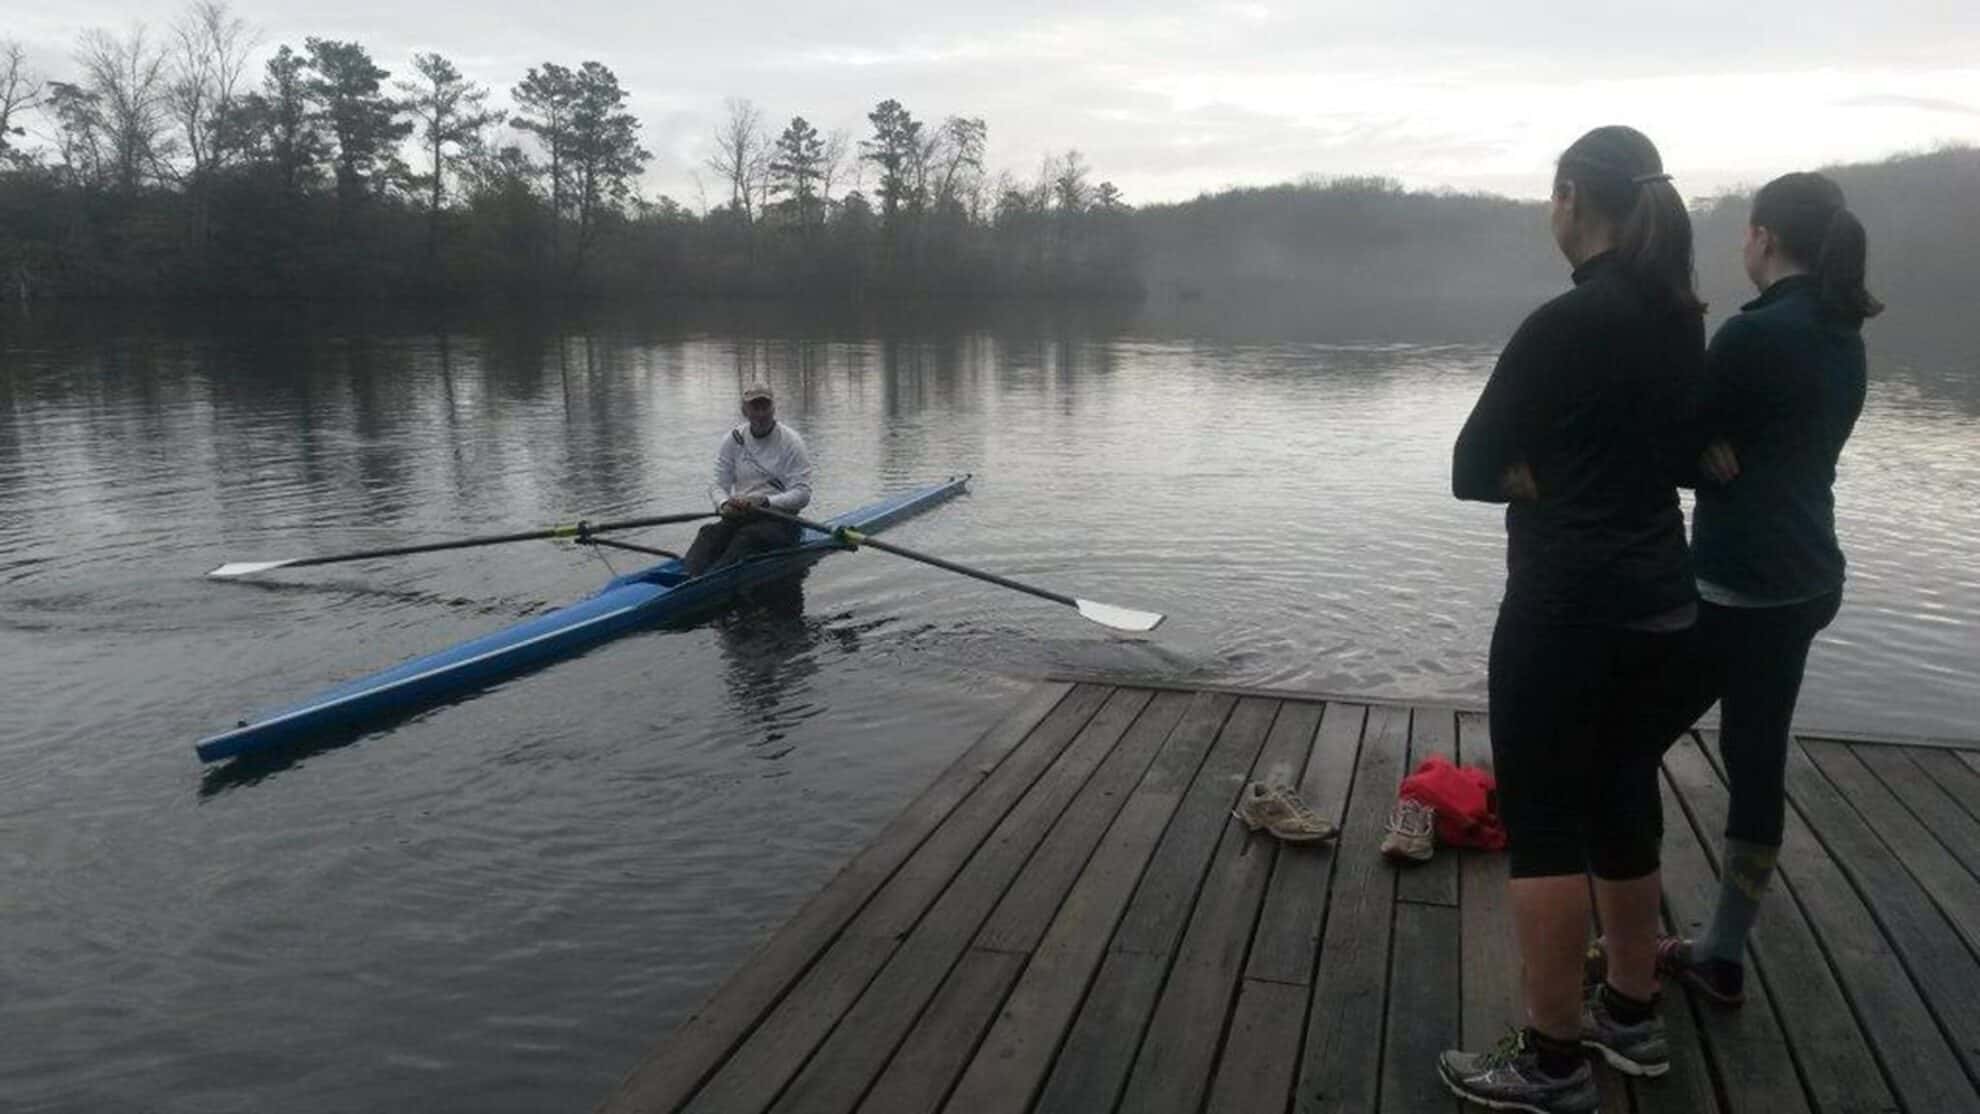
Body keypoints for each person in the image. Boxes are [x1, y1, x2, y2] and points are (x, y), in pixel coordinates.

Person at [1439, 125, 1708, 1114]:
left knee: (1546, 823)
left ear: (1571, 200)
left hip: (1564, 608)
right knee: (1624, 798)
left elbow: (1471, 466)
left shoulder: (1565, 325)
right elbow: (1684, 457)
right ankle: (1630, 1014)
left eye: (1552, 198)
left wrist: (1534, 474)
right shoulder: (1681, 317)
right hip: (1660, 603)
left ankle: (1553, 1061)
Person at [1655, 172, 1878, 1008]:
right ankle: (1722, 949)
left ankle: (1626, 941)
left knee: (1620, 742)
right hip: (1809, 578)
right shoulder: (1841, 333)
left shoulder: (1752, 338)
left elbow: (1673, 446)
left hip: (1739, 586)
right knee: (1756, 757)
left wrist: (1697, 450)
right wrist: (1709, 445)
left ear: (1762, 238)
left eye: (1745, 234)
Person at [681, 383, 814, 577]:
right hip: (743, 515)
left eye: (765, 407)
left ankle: (707, 583)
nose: (761, 414)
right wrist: (724, 503)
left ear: (773, 409)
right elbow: (718, 484)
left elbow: (802, 494)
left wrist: (765, 501)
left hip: (782, 520)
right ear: (745, 411)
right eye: (755, 407)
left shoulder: (792, 442)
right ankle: (686, 578)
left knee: (747, 538)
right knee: (708, 533)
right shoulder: (733, 439)